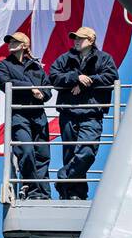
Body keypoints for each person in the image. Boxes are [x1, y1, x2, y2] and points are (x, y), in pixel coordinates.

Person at [49, 26, 119, 200]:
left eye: (80, 38)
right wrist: (75, 77)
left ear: (91, 40)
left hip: (92, 112)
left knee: (87, 152)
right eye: (75, 38)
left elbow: (110, 77)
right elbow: (53, 76)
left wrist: (87, 81)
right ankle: (74, 194)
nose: (76, 41)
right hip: (69, 112)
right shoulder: (65, 59)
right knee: (70, 154)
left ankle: (64, 178)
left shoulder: (104, 59)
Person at [0, 32, 53, 199]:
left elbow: (47, 88)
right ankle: (31, 188)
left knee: (42, 155)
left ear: (24, 45)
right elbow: (4, 82)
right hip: (19, 114)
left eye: (15, 41)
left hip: (38, 116)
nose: (11, 43)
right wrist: (29, 87)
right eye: (10, 41)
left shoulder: (36, 67)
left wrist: (43, 94)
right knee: (26, 151)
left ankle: (43, 194)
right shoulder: (4, 65)